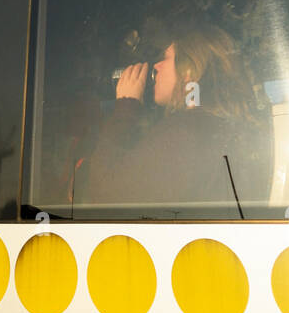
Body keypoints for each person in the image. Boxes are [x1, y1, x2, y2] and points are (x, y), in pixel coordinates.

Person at [83, 17, 271, 211]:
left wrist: (126, 106)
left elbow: (105, 197)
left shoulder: (185, 132)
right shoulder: (217, 127)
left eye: (165, 58)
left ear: (188, 72)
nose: (156, 66)